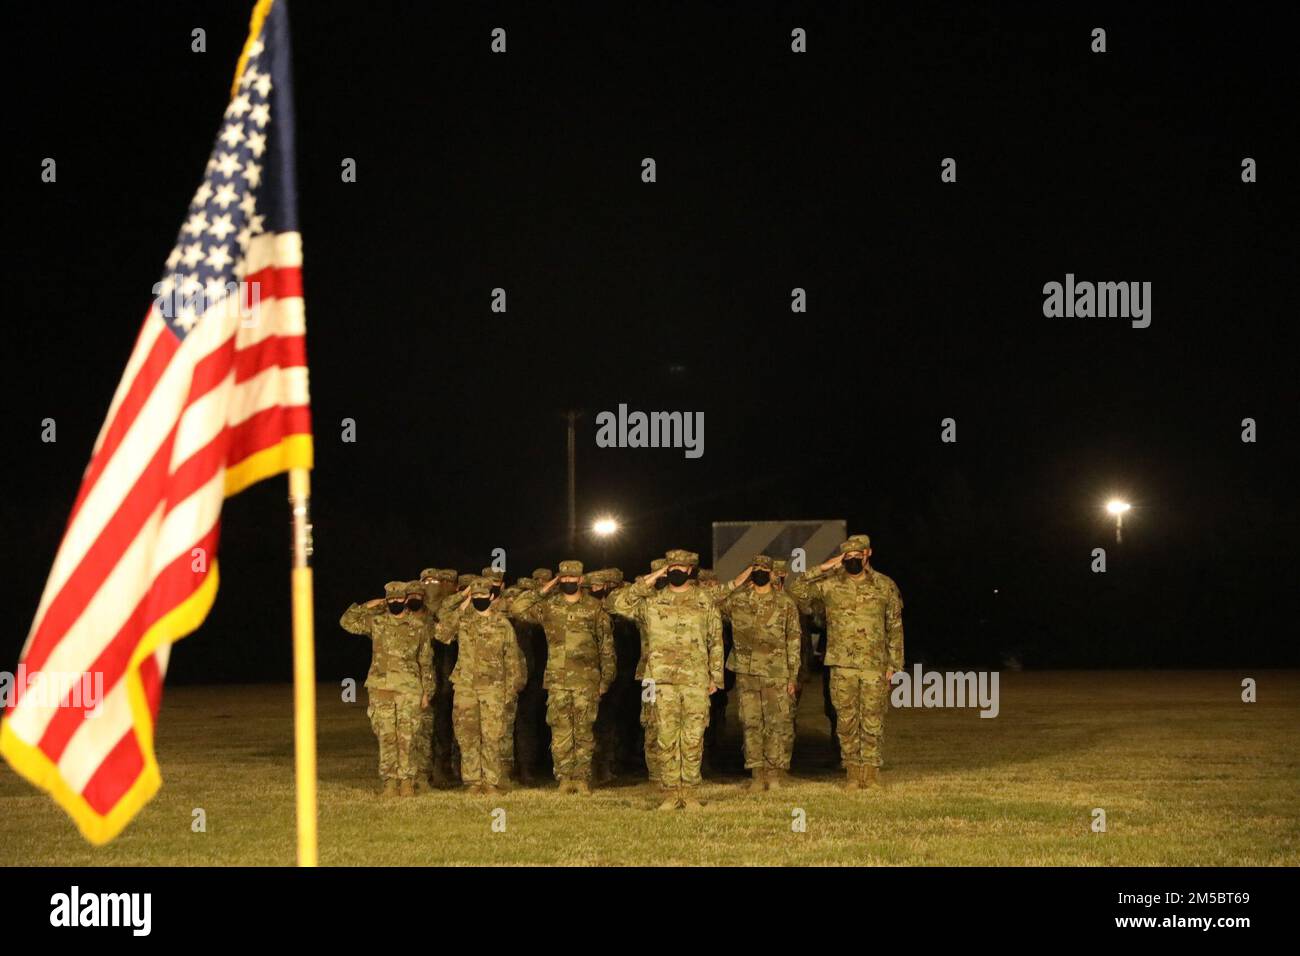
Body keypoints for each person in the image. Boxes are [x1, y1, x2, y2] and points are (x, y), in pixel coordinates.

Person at [609, 549, 722, 810]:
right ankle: (671, 792)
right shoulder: (652, 601)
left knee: (693, 737)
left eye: (682, 567)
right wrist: (651, 577)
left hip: (695, 678)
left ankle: (690, 792)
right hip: (661, 680)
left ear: (691, 571)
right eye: (672, 567)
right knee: (666, 737)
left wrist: (714, 676)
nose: (676, 571)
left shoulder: (704, 601)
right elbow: (618, 603)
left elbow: (715, 640)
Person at [789, 534, 904, 790]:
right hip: (842, 666)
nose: (852, 561)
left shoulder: (884, 586)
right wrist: (825, 567)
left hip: (874, 665)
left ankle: (871, 773)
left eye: (857, 556)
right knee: (846, 721)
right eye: (848, 557)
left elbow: (894, 627)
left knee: (873, 719)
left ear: (868, 554)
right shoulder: (830, 585)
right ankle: (852, 772)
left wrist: (894, 666)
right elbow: (796, 590)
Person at [509, 560, 616, 792]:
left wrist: (606, 680)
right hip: (557, 681)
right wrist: (547, 587)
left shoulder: (594, 608)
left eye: (572, 578)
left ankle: (582, 778)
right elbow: (517, 608)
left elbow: (606, 646)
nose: (568, 582)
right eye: (563, 578)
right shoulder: (550, 607)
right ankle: (565, 778)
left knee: (584, 732)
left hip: (587, 681)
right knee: (560, 731)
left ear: (580, 579)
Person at [339, 581, 435, 796]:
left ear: (406, 600)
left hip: (409, 688)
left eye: (398, 599)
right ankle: (390, 782)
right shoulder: (377, 623)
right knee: (386, 735)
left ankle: (407, 781)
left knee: (408, 736)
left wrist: (427, 691)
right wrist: (370, 604)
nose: (394, 603)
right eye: (390, 600)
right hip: (381, 687)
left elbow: (425, 660)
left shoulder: (418, 626)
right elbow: (347, 621)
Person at [435, 576, 528, 794]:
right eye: (475, 596)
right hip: (466, 687)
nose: (479, 599)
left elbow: (512, 658)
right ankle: (473, 782)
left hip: (493, 689)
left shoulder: (502, 624)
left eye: (482, 596)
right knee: (467, 737)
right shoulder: (464, 621)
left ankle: (491, 781)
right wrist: (463, 599)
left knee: (492, 736)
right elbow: (441, 631)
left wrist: (510, 689)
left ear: (491, 596)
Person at [722, 555, 802, 789]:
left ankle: (774, 774)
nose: (759, 572)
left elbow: (794, 639)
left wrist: (792, 675)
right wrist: (738, 581)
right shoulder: (737, 601)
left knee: (775, 723)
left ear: (771, 573)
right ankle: (757, 773)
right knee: (751, 723)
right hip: (746, 674)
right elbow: (711, 600)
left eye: (762, 569)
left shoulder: (785, 603)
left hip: (776, 672)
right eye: (754, 568)